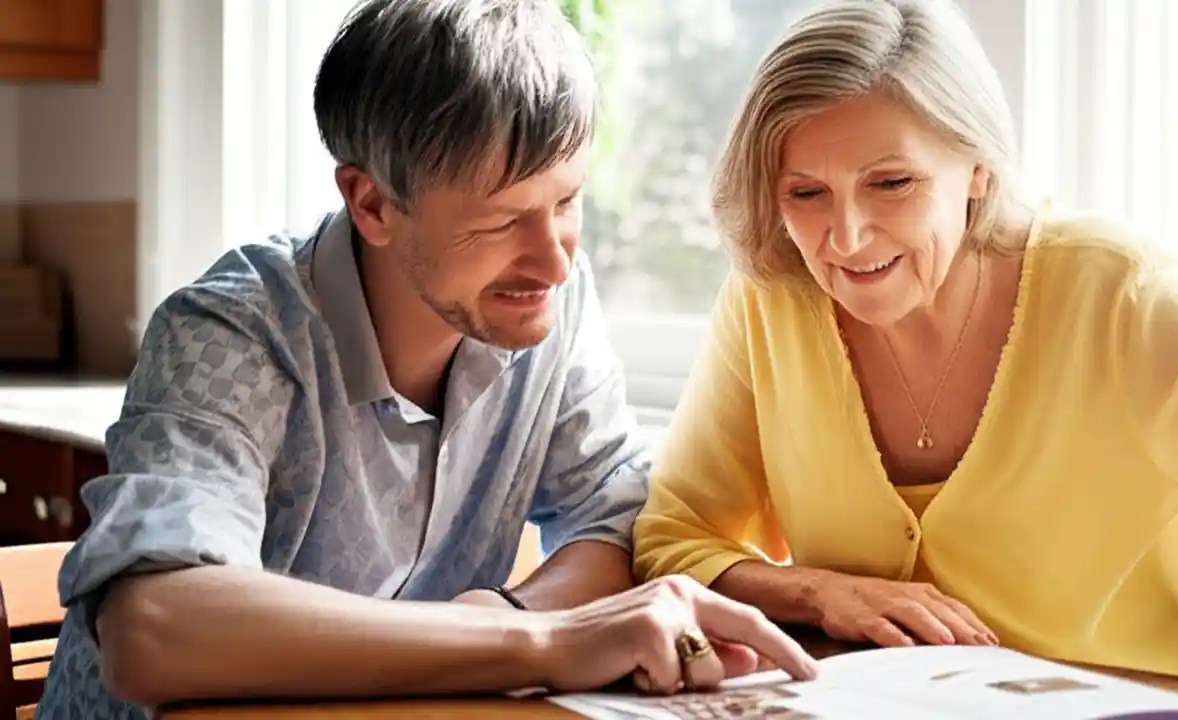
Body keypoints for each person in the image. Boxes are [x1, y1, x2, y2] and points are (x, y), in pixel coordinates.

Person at [35, 1, 817, 717]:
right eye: (505, 219)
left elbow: (613, 516)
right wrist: (542, 643)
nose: (553, 261)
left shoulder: (548, 298)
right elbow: (154, 629)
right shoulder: (230, 334)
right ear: (371, 203)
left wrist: (511, 616)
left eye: (567, 203)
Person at [633, 0, 1178, 692]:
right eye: (807, 193)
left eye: (891, 183)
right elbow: (673, 538)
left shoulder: (1122, 298)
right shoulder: (771, 300)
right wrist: (821, 592)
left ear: (976, 166)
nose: (845, 238)